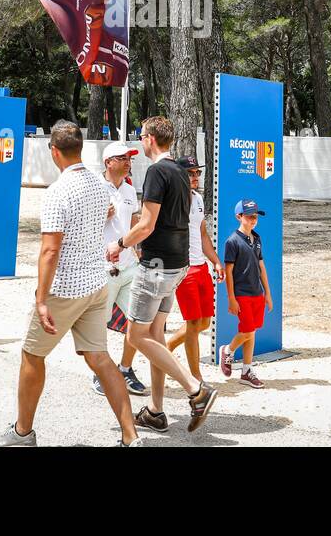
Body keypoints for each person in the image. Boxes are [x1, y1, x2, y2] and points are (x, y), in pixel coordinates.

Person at [0, 121, 139, 447]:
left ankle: (22, 433)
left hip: (66, 288)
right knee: (100, 358)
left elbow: (50, 249)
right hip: (96, 284)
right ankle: (131, 437)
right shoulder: (101, 187)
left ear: (54, 151)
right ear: (80, 148)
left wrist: (42, 298)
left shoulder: (58, 191)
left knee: (32, 355)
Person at [104, 115, 218, 434]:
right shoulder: (182, 174)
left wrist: (119, 244)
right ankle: (155, 410)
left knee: (136, 336)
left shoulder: (156, 171)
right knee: (155, 336)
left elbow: (148, 224)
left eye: (142, 136)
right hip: (176, 266)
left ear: (151, 138)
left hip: (155, 267)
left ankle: (197, 390)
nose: (140, 140)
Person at [89, 141, 146, 396]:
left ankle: (125, 368)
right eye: (122, 158)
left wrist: (140, 249)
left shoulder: (129, 189)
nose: (128, 162)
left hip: (129, 265)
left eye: (130, 158)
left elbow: (135, 221)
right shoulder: (93, 188)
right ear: (108, 162)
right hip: (103, 268)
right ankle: (100, 371)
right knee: (99, 324)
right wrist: (98, 216)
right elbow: (76, 227)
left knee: (138, 321)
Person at [167, 156, 224, 383]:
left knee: (204, 322)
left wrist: (216, 262)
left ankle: (166, 347)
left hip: (201, 267)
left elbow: (202, 235)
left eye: (197, 173)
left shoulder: (198, 199)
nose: (195, 177)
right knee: (192, 323)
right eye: (190, 173)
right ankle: (195, 377)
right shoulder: (173, 200)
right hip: (184, 268)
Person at [218, 199, 273, 389]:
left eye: (255, 217)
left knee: (252, 332)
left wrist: (268, 293)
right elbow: (229, 272)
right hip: (241, 294)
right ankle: (228, 350)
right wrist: (231, 298)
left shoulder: (257, 239)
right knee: (248, 330)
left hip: (257, 293)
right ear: (239, 217)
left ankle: (246, 371)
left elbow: (261, 266)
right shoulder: (232, 242)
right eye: (249, 217)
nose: (253, 220)